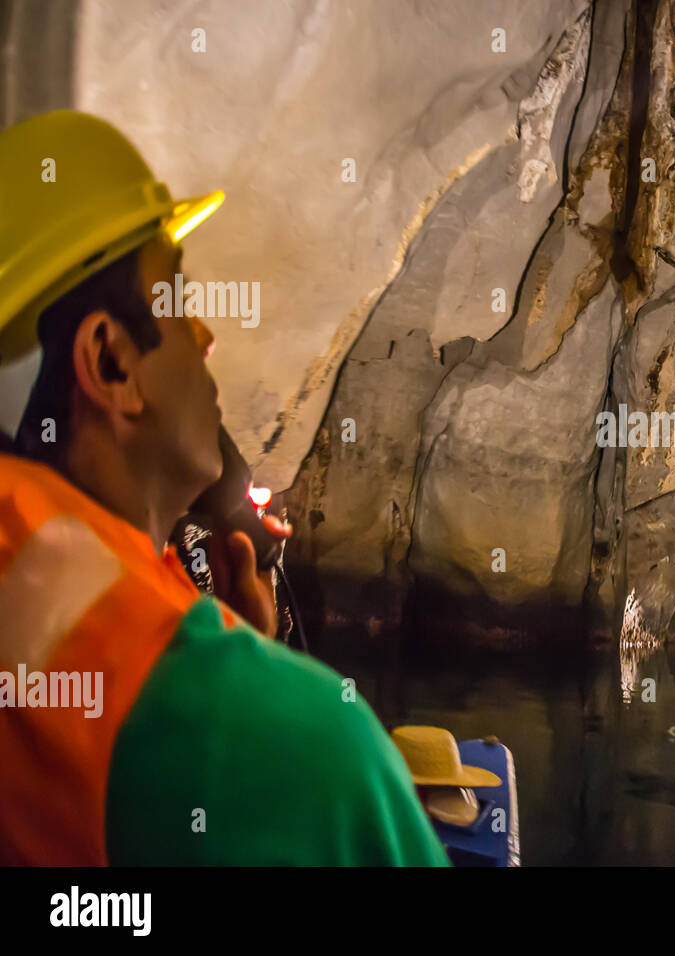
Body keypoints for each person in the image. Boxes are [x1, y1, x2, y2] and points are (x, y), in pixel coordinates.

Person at [0, 110, 450, 865]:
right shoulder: (314, 749)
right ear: (111, 362)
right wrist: (250, 686)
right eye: (176, 300)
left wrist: (231, 644)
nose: (206, 336)